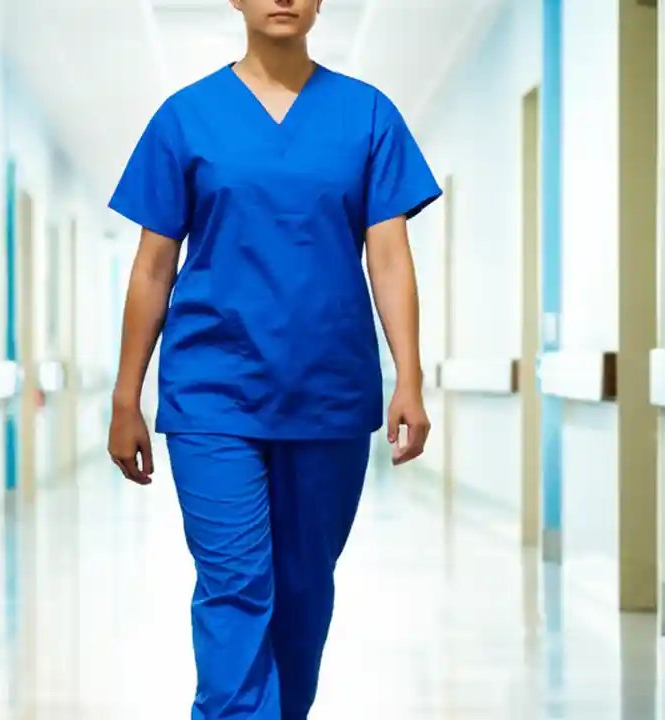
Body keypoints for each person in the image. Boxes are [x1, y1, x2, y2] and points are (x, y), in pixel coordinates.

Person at [107, 0, 440, 717]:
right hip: (211, 393)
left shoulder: (368, 116)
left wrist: (409, 375)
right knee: (235, 586)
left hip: (329, 392)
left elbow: (388, 256)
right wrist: (124, 395)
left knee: (302, 588)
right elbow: (152, 267)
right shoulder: (185, 117)